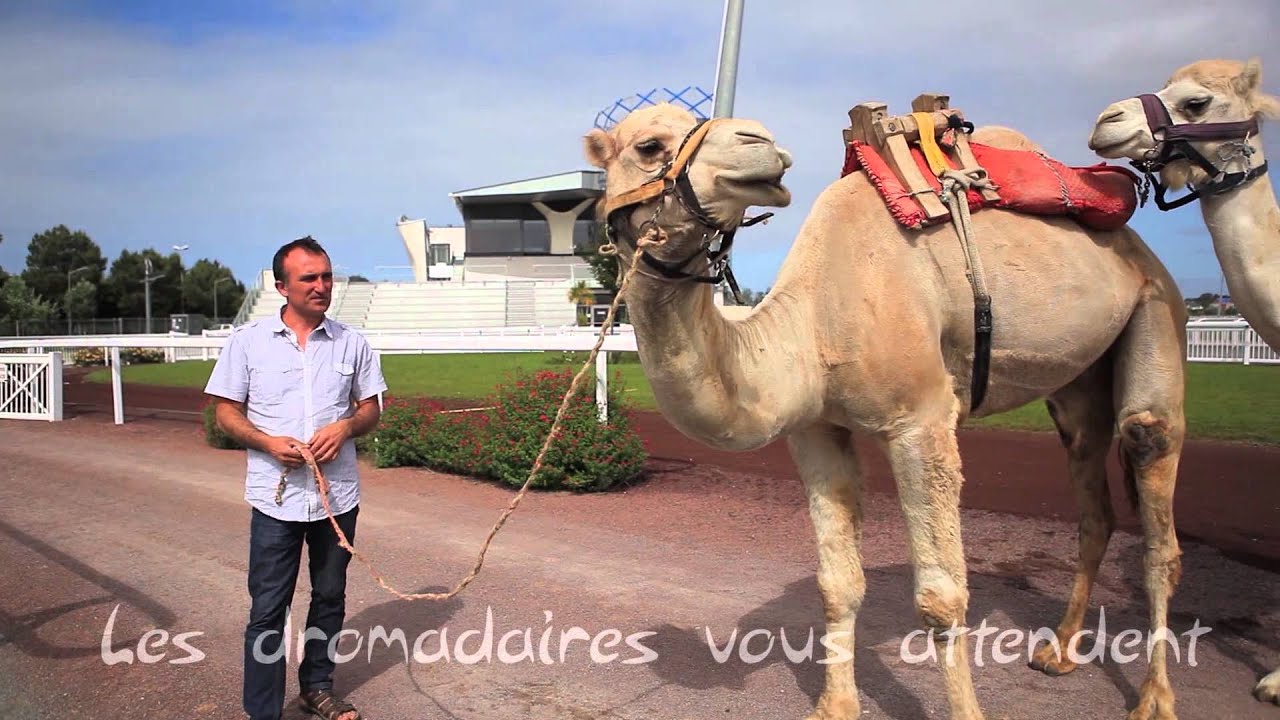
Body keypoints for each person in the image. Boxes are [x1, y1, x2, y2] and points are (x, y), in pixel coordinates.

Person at [204, 236, 386, 720]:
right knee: (268, 607)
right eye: (309, 278)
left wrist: (346, 426)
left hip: (336, 497)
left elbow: (371, 410)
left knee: (329, 596)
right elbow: (226, 412)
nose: (322, 286)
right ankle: (263, 710)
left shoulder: (353, 342)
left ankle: (317, 688)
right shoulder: (247, 343)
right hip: (274, 498)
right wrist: (266, 442)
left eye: (327, 276)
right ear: (282, 285)